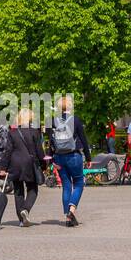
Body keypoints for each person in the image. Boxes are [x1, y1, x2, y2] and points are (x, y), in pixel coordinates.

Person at [0, 108, 45, 227]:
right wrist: (43, 165)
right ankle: (26, 209)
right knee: (32, 188)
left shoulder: (12, 133)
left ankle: (21, 220)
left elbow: (7, 152)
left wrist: (3, 168)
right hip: (29, 163)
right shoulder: (34, 132)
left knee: (18, 191)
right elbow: (39, 151)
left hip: (15, 164)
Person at [48, 96, 90, 227]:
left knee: (66, 186)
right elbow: (83, 140)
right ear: (70, 106)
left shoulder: (51, 121)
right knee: (78, 183)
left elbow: (50, 142)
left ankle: (67, 216)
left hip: (59, 157)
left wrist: (51, 160)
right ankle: (72, 210)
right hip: (74, 156)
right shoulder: (75, 120)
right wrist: (88, 158)